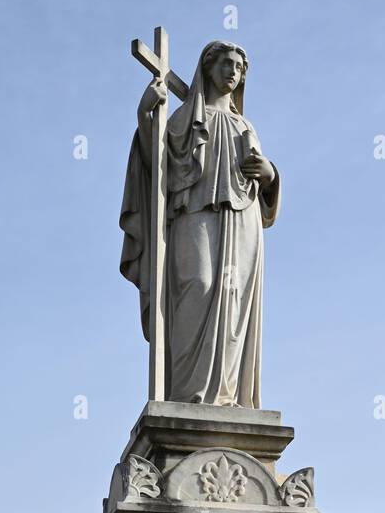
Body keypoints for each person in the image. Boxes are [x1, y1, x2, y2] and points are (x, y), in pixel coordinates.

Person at [120, 40, 280, 408]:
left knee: (233, 299)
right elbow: (155, 167)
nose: (232, 72)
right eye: (226, 63)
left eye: (239, 68)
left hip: (241, 223)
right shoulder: (182, 119)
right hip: (192, 214)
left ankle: (225, 395)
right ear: (208, 67)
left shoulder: (245, 126)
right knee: (199, 284)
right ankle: (186, 394)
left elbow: (262, 184)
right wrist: (145, 117)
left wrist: (271, 175)